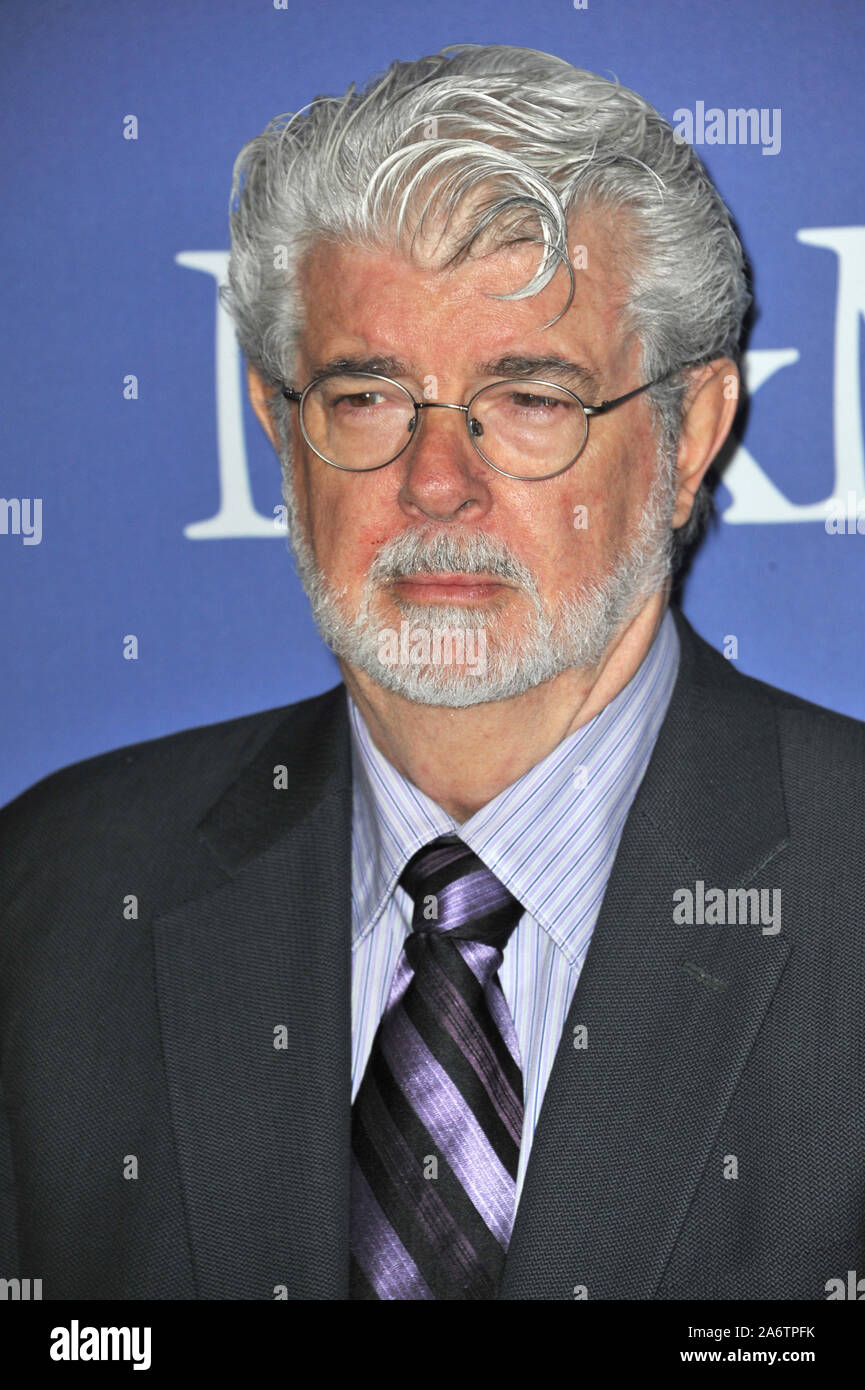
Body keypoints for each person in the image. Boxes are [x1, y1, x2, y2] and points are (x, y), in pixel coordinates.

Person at [2, 43, 863, 1302]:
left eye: (527, 400)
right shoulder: (54, 902)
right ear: (279, 430)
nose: (436, 483)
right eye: (365, 396)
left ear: (691, 438)